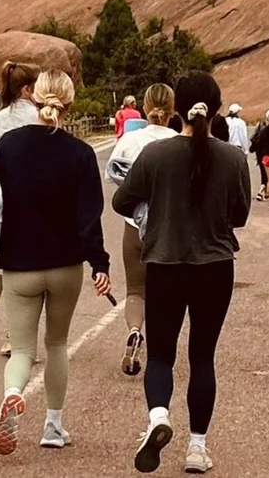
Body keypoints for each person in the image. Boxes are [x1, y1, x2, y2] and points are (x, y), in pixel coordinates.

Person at [113, 72, 251, 474]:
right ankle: (196, 448)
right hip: (214, 267)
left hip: (164, 264)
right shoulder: (231, 158)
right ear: (218, 106)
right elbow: (239, 216)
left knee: (160, 355)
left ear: (177, 109)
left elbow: (122, 200)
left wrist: (155, 207)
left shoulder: (155, 156)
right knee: (202, 356)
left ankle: (158, 417)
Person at [0, 69, 112, 454]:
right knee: (57, 344)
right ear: (68, 103)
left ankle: (14, 394)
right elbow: (90, 216)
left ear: (35, 98)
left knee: (21, 350)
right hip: (66, 264)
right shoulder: (81, 154)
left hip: (19, 264)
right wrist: (99, 264)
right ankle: (53, 426)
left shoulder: (10, 146)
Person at [106, 83, 177, 377]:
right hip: (170, 227)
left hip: (135, 225)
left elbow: (114, 175)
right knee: (165, 292)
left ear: (145, 109)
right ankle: (161, 351)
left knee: (136, 289)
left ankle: (135, 330)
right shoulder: (178, 140)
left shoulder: (130, 140)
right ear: (173, 110)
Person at [0, 61, 40, 357]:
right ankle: (24, 333)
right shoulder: (43, 116)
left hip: (5, 199)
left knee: (8, 265)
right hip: (41, 196)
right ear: (28, 89)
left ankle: (13, 333)